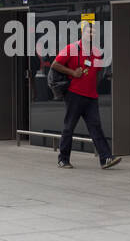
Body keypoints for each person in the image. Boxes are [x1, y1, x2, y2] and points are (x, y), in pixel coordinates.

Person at [50, 20, 120, 170]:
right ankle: (63, 159)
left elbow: (98, 71)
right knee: (69, 127)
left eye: (94, 32)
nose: (91, 34)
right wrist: (73, 73)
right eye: (89, 32)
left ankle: (105, 158)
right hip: (74, 95)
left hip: (91, 96)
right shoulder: (72, 48)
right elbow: (55, 64)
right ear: (83, 33)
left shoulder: (96, 52)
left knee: (96, 127)